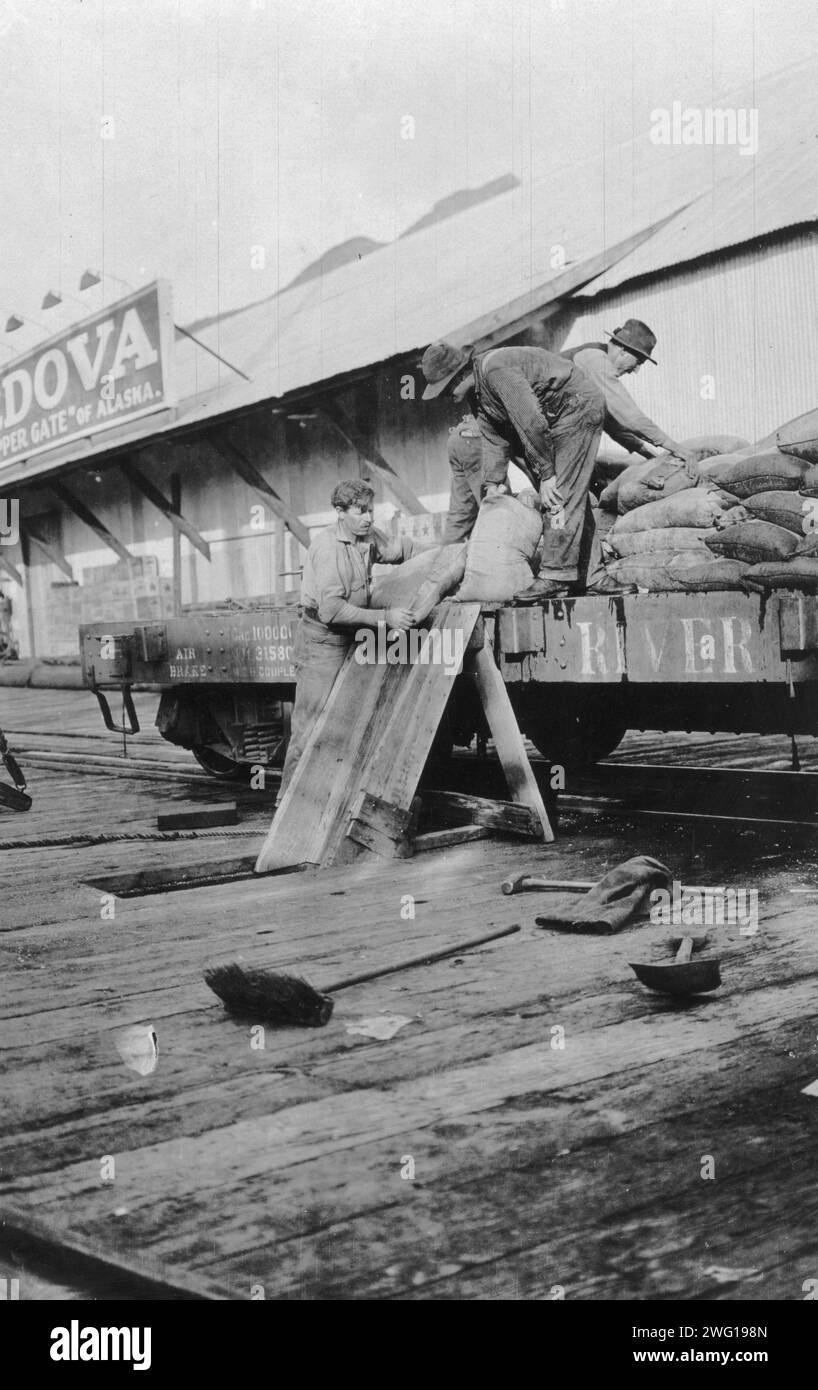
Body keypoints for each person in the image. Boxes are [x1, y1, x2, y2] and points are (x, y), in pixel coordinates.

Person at [421, 339, 632, 597]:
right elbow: (493, 435)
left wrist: (547, 474)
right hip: (556, 419)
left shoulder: (496, 371)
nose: (446, 397)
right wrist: (493, 481)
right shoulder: (477, 392)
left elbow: (531, 422)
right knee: (571, 498)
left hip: (578, 410)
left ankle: (555, 575)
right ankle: (593, 576)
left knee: (559, 495)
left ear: (459, 375)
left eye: (444, 389)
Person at [277, 479, 416, 802]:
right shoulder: (328, 548)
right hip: (322, 642)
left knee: (349, 722)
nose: (367, 518)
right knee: (310, 725)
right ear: (340, 512)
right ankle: (288, 803)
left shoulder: (365, 537)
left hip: (351, 638)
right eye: (359, 511)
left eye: (370, 510)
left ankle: (333, 797)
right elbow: (332, 610)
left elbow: (398, 550)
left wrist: (450, 549)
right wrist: (386, 618)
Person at [561, 320, 701, 590]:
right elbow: (628, 414)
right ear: (623, 350)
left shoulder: (592, 361)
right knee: (574, 504)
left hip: (536, 435)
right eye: (638, 362)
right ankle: (590, 579)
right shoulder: (595, 361)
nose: (635, 370)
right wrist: (675, 447)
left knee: (572, 505)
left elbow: (611, 420)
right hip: (533, 435)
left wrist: (645, 451)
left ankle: (580, 577)